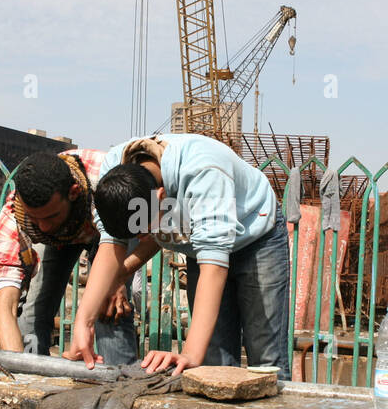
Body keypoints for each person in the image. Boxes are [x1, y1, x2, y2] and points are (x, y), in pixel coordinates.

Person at [64, 133, 290, 379]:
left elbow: (213, 268)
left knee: (266, 359)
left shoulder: (203, 171)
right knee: (214, 362)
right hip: (201, 246)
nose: (141, 240)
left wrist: (190, 354)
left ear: (161, 197)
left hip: (256, 237)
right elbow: (111, 246)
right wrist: (83, 323)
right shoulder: (115, 171)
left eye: (144, 230)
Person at [0, 150, 137, 364]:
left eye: (50, 216)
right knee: (31, 314)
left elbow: (132, 231)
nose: (44, 226)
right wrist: (17, 376)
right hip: (60, 242)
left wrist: (117, 278)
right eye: (35, 219)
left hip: (111, 228)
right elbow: (5, 306)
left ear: (74, 192)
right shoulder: (14, 215)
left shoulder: (105, 180)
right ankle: (32, 378)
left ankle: (121, 382)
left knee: (108, 303)